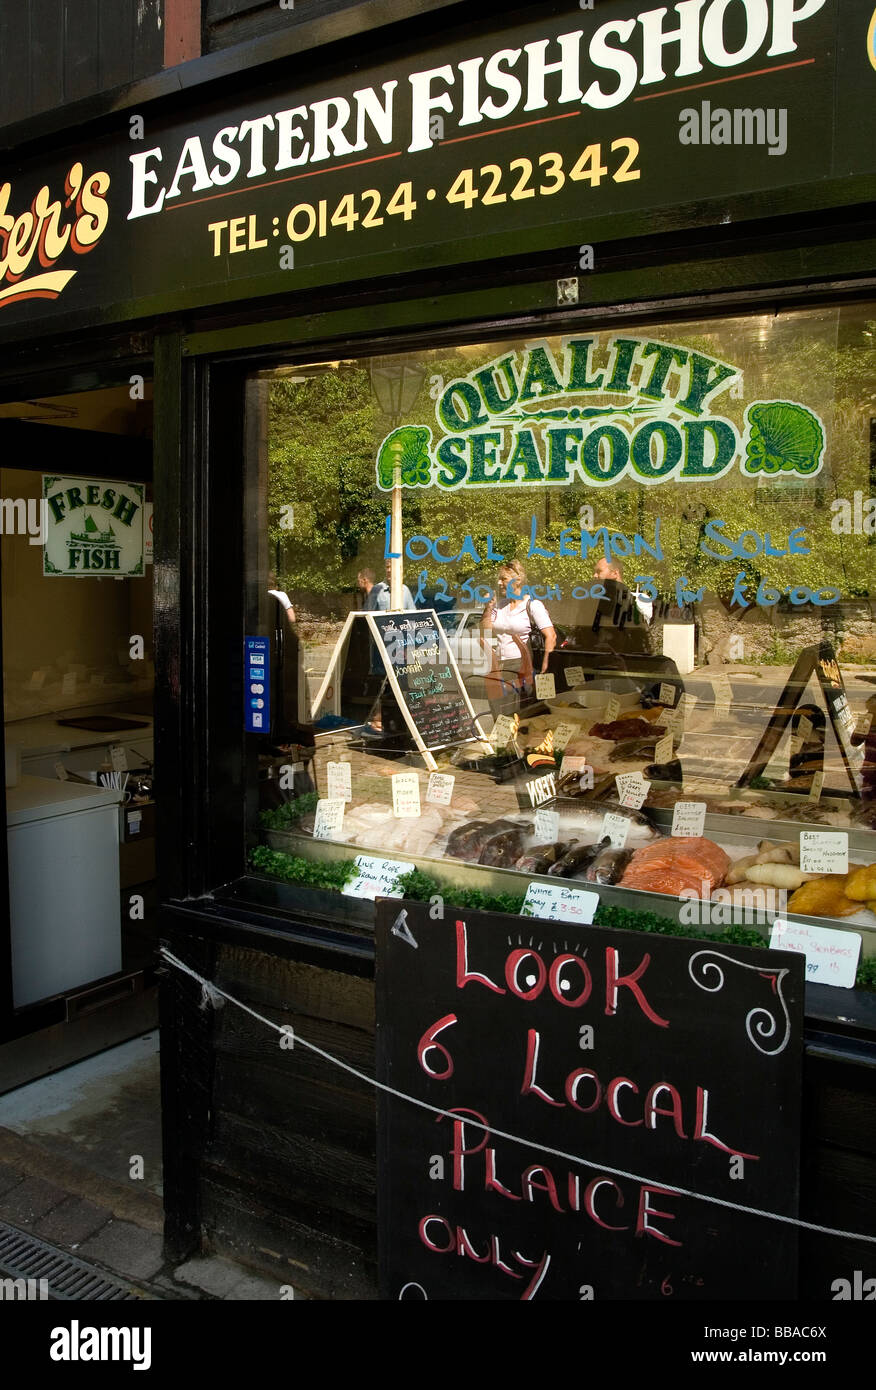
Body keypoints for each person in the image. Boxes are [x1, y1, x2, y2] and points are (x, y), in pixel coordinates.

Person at [481, 560, 556, 715]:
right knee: (499, 710)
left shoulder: (532, 605)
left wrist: (546, 665)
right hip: (500, 664)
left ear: (518, 580)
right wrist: (488, 607)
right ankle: (504, 739)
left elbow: (551, 635)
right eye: (499, 579)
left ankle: (514, 738)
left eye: (504, 579)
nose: (499, 582)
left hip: (521, 664)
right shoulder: (501, 605)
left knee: (516, 712)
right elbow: (486, 630)